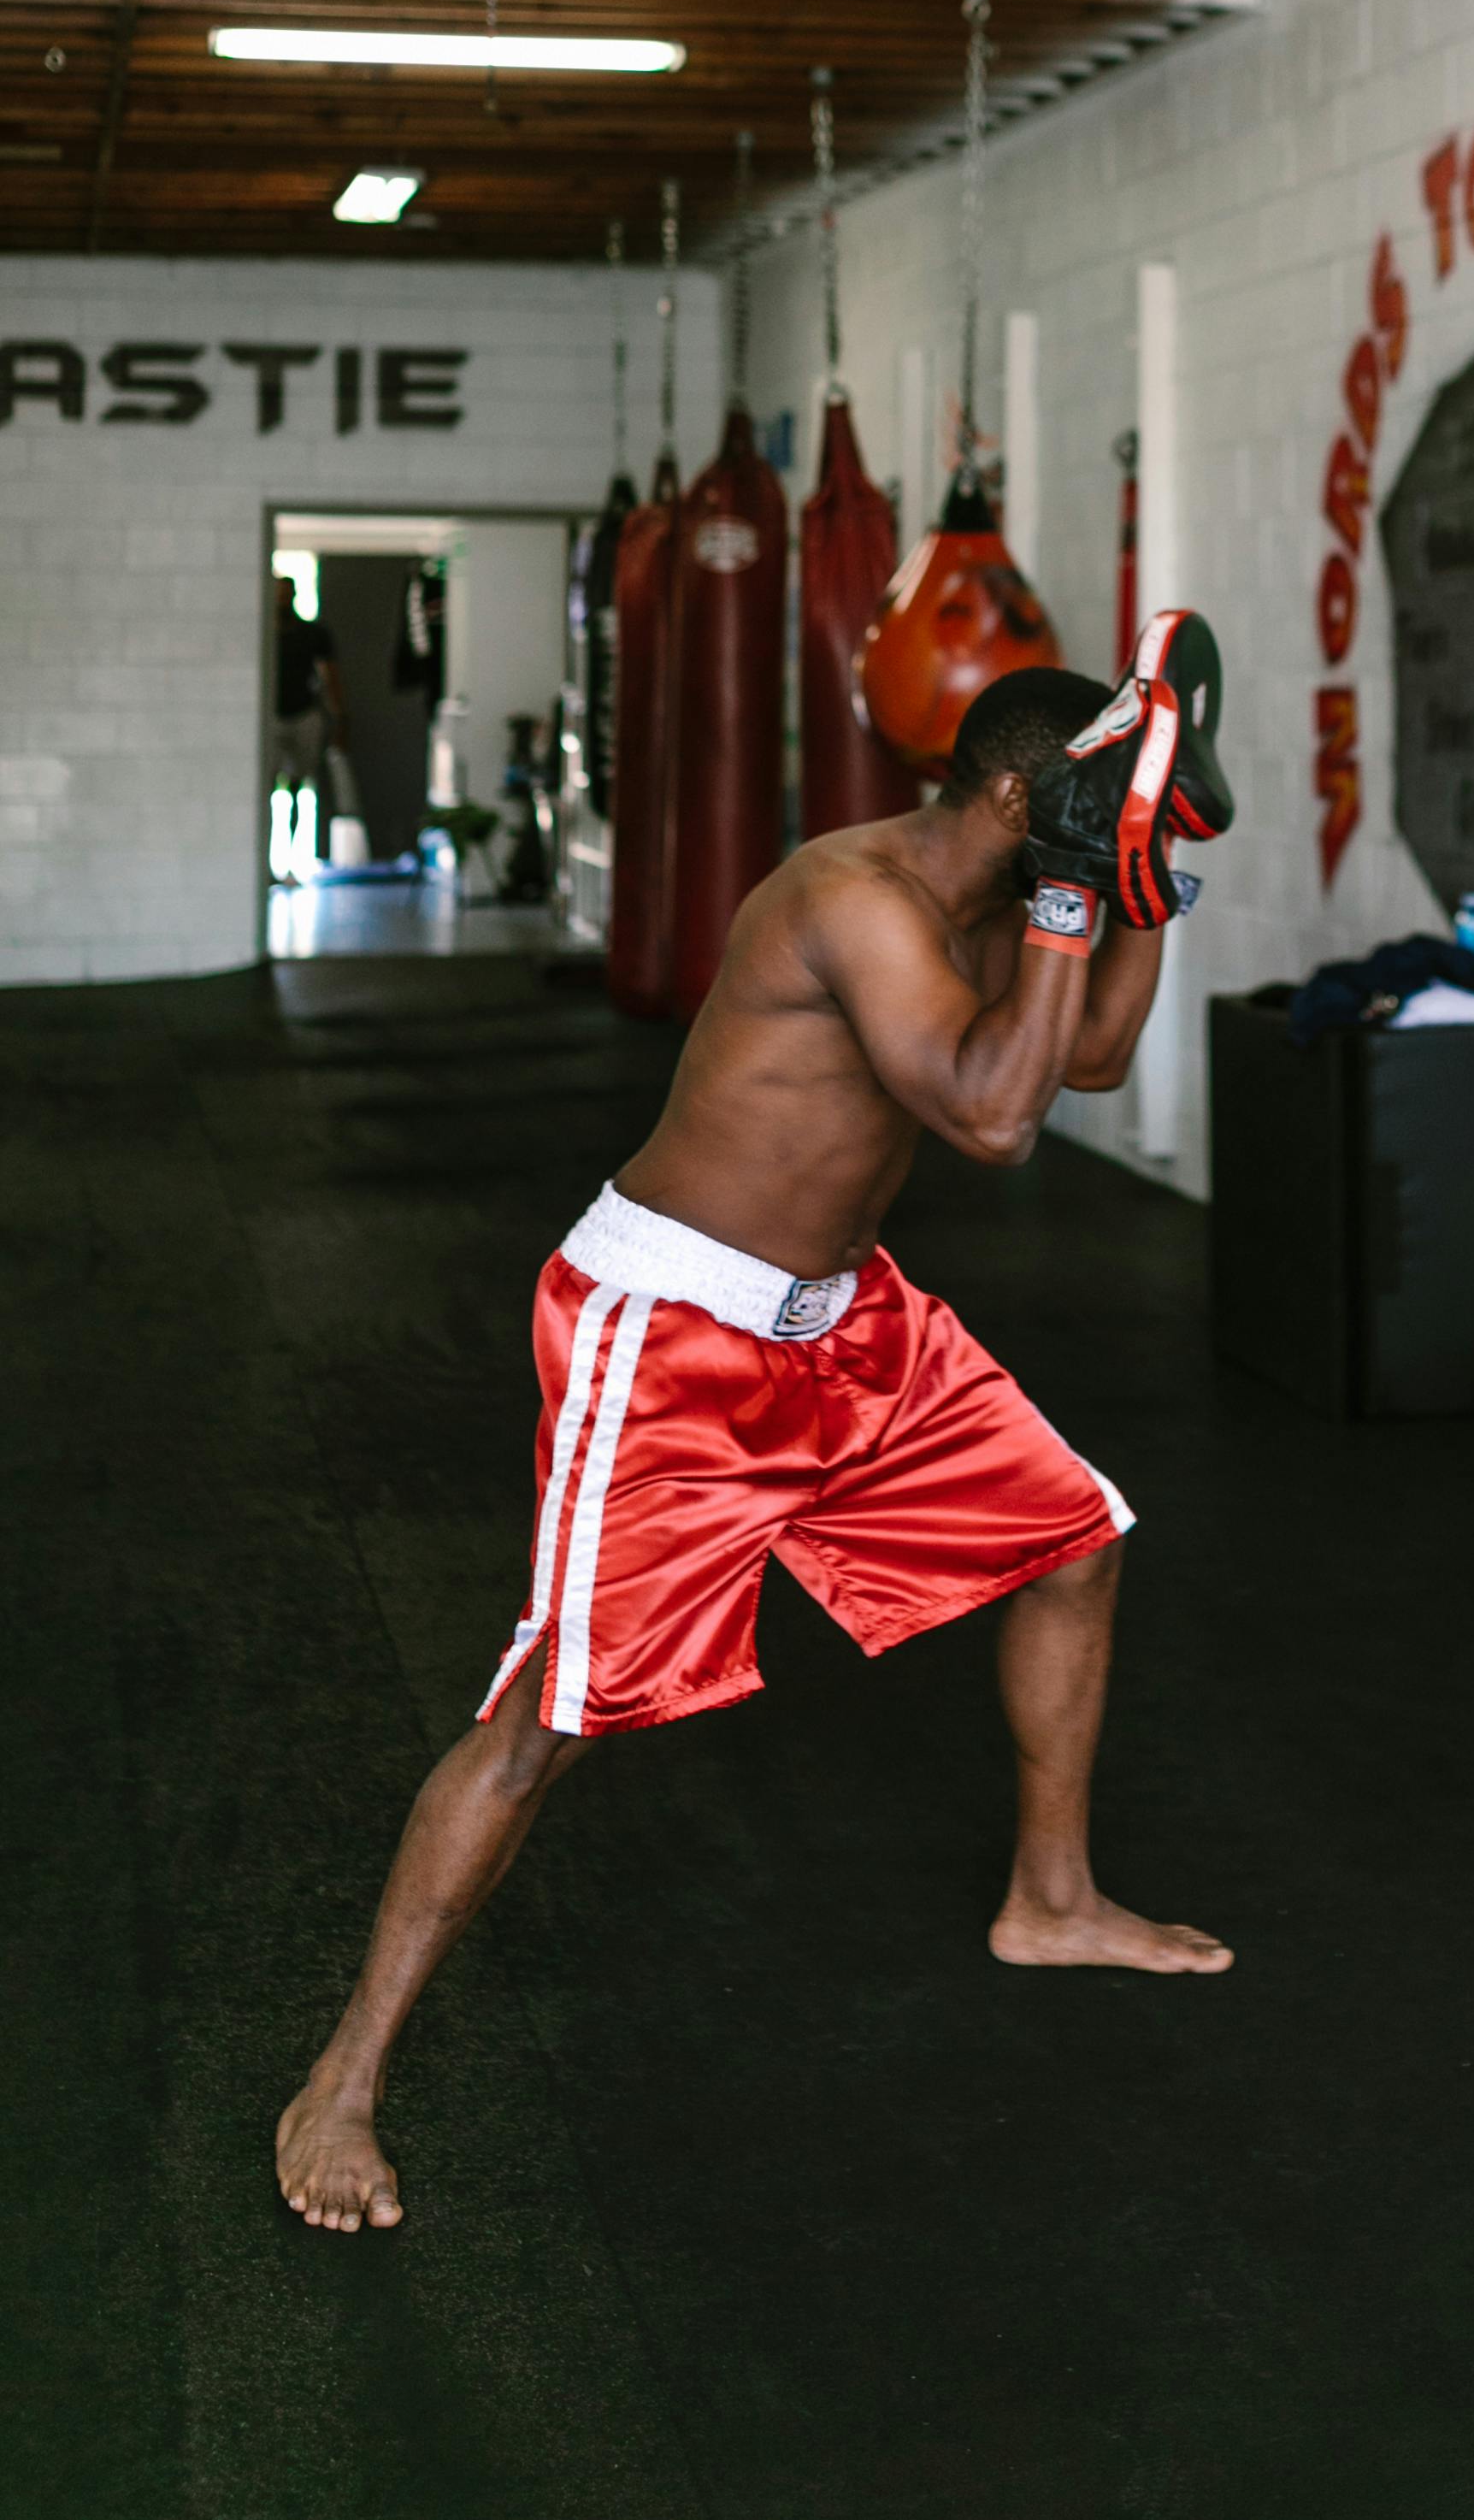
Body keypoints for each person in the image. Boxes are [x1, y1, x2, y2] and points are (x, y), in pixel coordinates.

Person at [277, 628, 1236, 2237]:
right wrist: (1081, 891)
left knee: (1075, 1542)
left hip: (847, 1324)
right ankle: (344, 2077)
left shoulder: (1006, 894)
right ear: (1017, 792)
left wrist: (1134, 894)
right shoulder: (850, 895)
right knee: (547, 1716)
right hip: (671, 1337)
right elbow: (996, 1120)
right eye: (1081, 812)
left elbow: (1086, 1054)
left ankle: (1050, 1897)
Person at [268, 570, 348, 873]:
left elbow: (330, 677)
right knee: (268, 790)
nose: (281, 599)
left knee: (297, 788)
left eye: (285, 593)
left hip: (303, 714)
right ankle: (268, 866)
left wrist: (340, 718)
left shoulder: (312, 633)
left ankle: (290, 864)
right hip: (272, 717)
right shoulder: (265, 632)